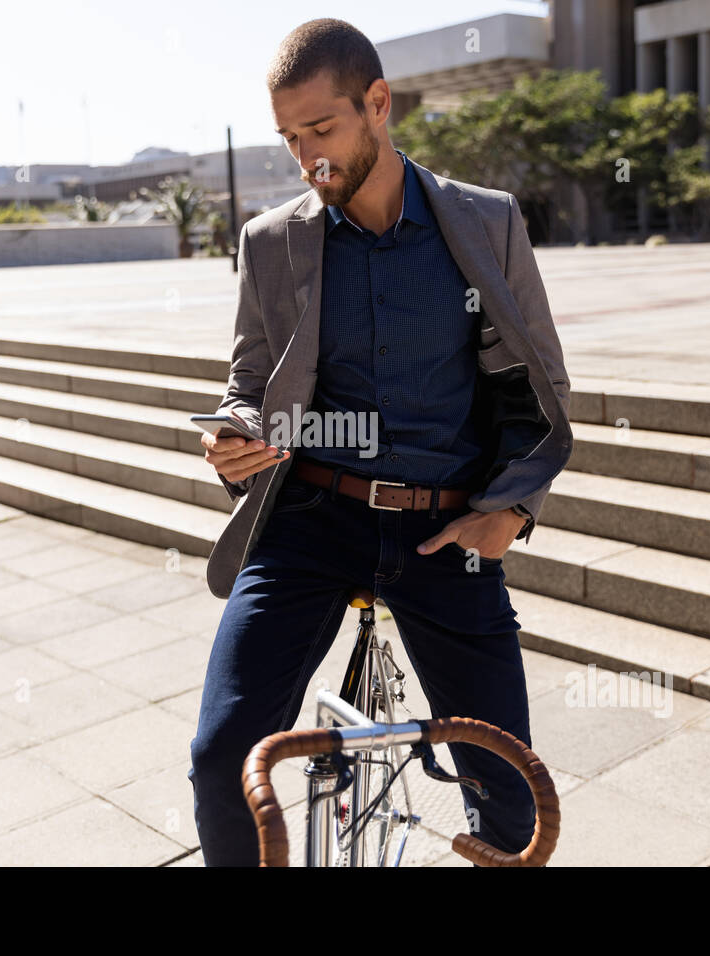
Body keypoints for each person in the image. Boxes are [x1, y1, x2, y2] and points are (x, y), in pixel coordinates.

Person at [187, 18, 573, 866]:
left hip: (447, 529)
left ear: (378, 103)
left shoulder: (487, 223)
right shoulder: (271, 241)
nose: (308, 159)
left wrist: (511, 513)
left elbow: (541, 382)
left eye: (321, 129)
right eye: (290, 139)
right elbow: (249, 381)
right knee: (221, 761)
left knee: (512, 796)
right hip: (309, 524)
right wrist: (235, 435)